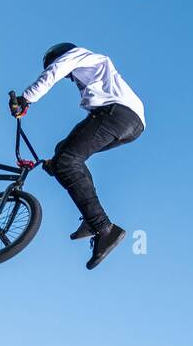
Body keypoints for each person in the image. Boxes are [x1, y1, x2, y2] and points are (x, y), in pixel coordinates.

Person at [10, 43, 145, 270]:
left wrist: (26, 99)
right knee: (64, 153)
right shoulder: (95, 71)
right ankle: (92, 221)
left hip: (116, 114)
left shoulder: (77, 55)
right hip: (130, 124)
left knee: (66, 161)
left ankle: (104, 228)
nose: (71, 80)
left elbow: (56, 71)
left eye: (68, 77)